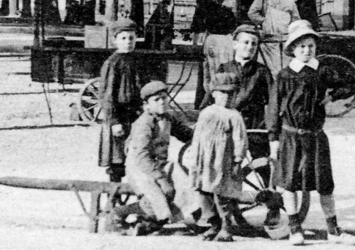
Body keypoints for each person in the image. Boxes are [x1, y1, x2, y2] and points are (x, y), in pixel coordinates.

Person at [267, 21, 355, 246]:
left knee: (324, 184)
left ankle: (333, 230)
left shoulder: (323, 71)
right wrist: (273, 138)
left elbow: (351, 84)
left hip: (316, 137)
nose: (307, 50)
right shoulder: (284, 75)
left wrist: (331, 96)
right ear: (293, 49)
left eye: (311, 46)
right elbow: (273, 107)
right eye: (302, 46)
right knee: (290, 184)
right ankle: (295, 229)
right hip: (291, 137)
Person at [213, 23, 281, 234]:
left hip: (255, 126)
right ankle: (230, 210)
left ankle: (273, 208)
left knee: (264, 170)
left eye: (254, 43)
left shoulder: (262, 71)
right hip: (229, 127)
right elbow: (213, 97)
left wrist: (272, 132)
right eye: (245, 42)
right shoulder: (224, 68)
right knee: (229, 170)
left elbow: (272, 102)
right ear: (235, 44)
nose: (249, 47)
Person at [124, 80, 201, 235]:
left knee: (186, 181)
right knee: (160, 195)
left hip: (159, 164)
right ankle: (123, 215)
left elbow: (185, 134)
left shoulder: (167, 118)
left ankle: (197, 217)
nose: (162, 102)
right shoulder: (144, 123)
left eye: (164, 98)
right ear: (146, 104)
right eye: (156, 99)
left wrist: (202, 136)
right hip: (140, 168)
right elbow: (141, 156)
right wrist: (161, 178)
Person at [190, 72, 249, 242]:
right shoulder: (206, 113)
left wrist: (238, 160)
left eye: (231, 93)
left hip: (223, 162)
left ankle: (226, 225)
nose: (227, 97)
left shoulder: (234, 116)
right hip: (205, 160)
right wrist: (194, 157)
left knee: (221, 193)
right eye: (223, 93)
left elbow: (240, 140)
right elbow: (198, 136)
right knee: (204, 190)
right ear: (214, 93)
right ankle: (213, 224)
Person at [97, 20, 155, 184]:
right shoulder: (112, 63)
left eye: (131, 38)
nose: (128, 42)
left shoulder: (137, 60)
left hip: (135, 116)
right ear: (115, 40)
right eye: (123, 38)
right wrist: (114, 121)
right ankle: (114, 196)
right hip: (119, 117)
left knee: (138, 156)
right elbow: (107, 95)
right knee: (118, 160)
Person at [247, 0, 301, 76]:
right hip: (269, 41)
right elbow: (252, 13)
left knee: (286, 70)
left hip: (285, 41)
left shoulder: (290, 2)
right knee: (271, 71)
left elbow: (296, 20)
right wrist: (265, 21)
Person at [193, 0, 240, 88]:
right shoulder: (205, 10)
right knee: (212, 69)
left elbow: (233, 28)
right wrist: (197, 45)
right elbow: (198, 29)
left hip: (226, 42)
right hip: (212, 41)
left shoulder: (227, 11)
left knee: (226, 67)